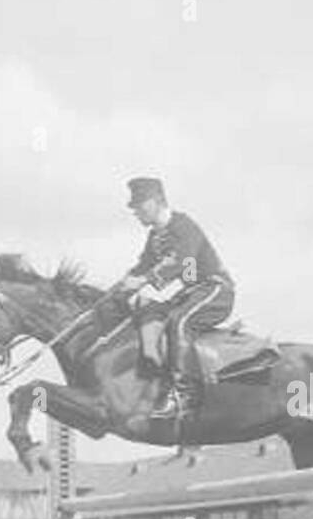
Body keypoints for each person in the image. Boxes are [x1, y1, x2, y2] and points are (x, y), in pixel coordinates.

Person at [95, 177, 235, 420]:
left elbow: (184, 261)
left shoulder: (183, 225)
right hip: (192, 292)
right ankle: (156, 373)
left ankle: (184, 394)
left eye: (139, 206)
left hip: (215, 291)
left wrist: (143, 281)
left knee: (178, 322)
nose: (135, 212)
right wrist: (119, 288)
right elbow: (143, 265)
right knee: (150, 314)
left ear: (155, 202)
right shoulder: (156, 237)